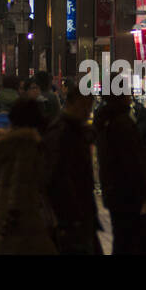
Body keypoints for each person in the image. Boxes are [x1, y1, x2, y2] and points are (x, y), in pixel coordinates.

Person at [0, 98, 55, 254]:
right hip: (21, 220)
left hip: (1, 209)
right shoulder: (28, 145)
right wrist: (14, 216)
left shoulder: (2, 143)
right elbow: (20, 185)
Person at [94, 92, 146, 254]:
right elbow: (134, 161)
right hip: (129, 193)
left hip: (114, 191)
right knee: (134, 240)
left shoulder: (104, 120)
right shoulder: (122, 123)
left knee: (122, 238)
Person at [42, 83, 99, 254]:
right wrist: (71, 215)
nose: (87, 112)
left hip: (79, 214)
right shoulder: (62, 132)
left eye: (90, 107)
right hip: (70, 217)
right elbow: (56, 177)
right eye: (84, 106)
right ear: (72, 103)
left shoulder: (75, 130)